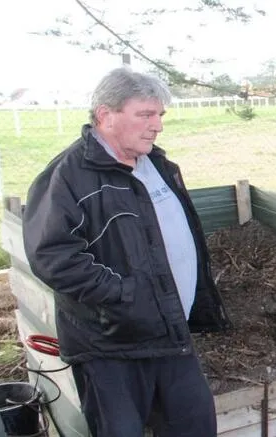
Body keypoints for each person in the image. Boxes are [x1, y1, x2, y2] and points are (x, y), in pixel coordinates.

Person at [22, 67, 230, 436]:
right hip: (112, 345)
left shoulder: (157, 165)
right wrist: (126, 296)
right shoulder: (67, 176)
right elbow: (53, 256)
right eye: (145, 115)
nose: (157, 125)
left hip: (170, 334)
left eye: (160, 115)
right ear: (106, 116)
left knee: (195, 426)